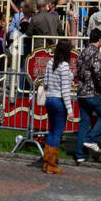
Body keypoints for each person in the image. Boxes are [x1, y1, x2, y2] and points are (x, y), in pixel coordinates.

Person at [74, 30, 101, 164]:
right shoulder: (96, 53)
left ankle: (79, 155)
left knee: (84, 123)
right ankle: (91, 139)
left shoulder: (82, 52)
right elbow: (97, 73)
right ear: (100, 40)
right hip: (93, 92)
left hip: (81, 92)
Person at [41, 39, 73, 175]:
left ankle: (46, 163)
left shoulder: (50, 63)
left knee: (51, 131)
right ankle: (52, 164)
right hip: (59, 100)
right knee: (57, 132)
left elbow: (45, 82)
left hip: (49, 99)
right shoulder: (64, 65)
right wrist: (70, 110)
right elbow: (65, 90)